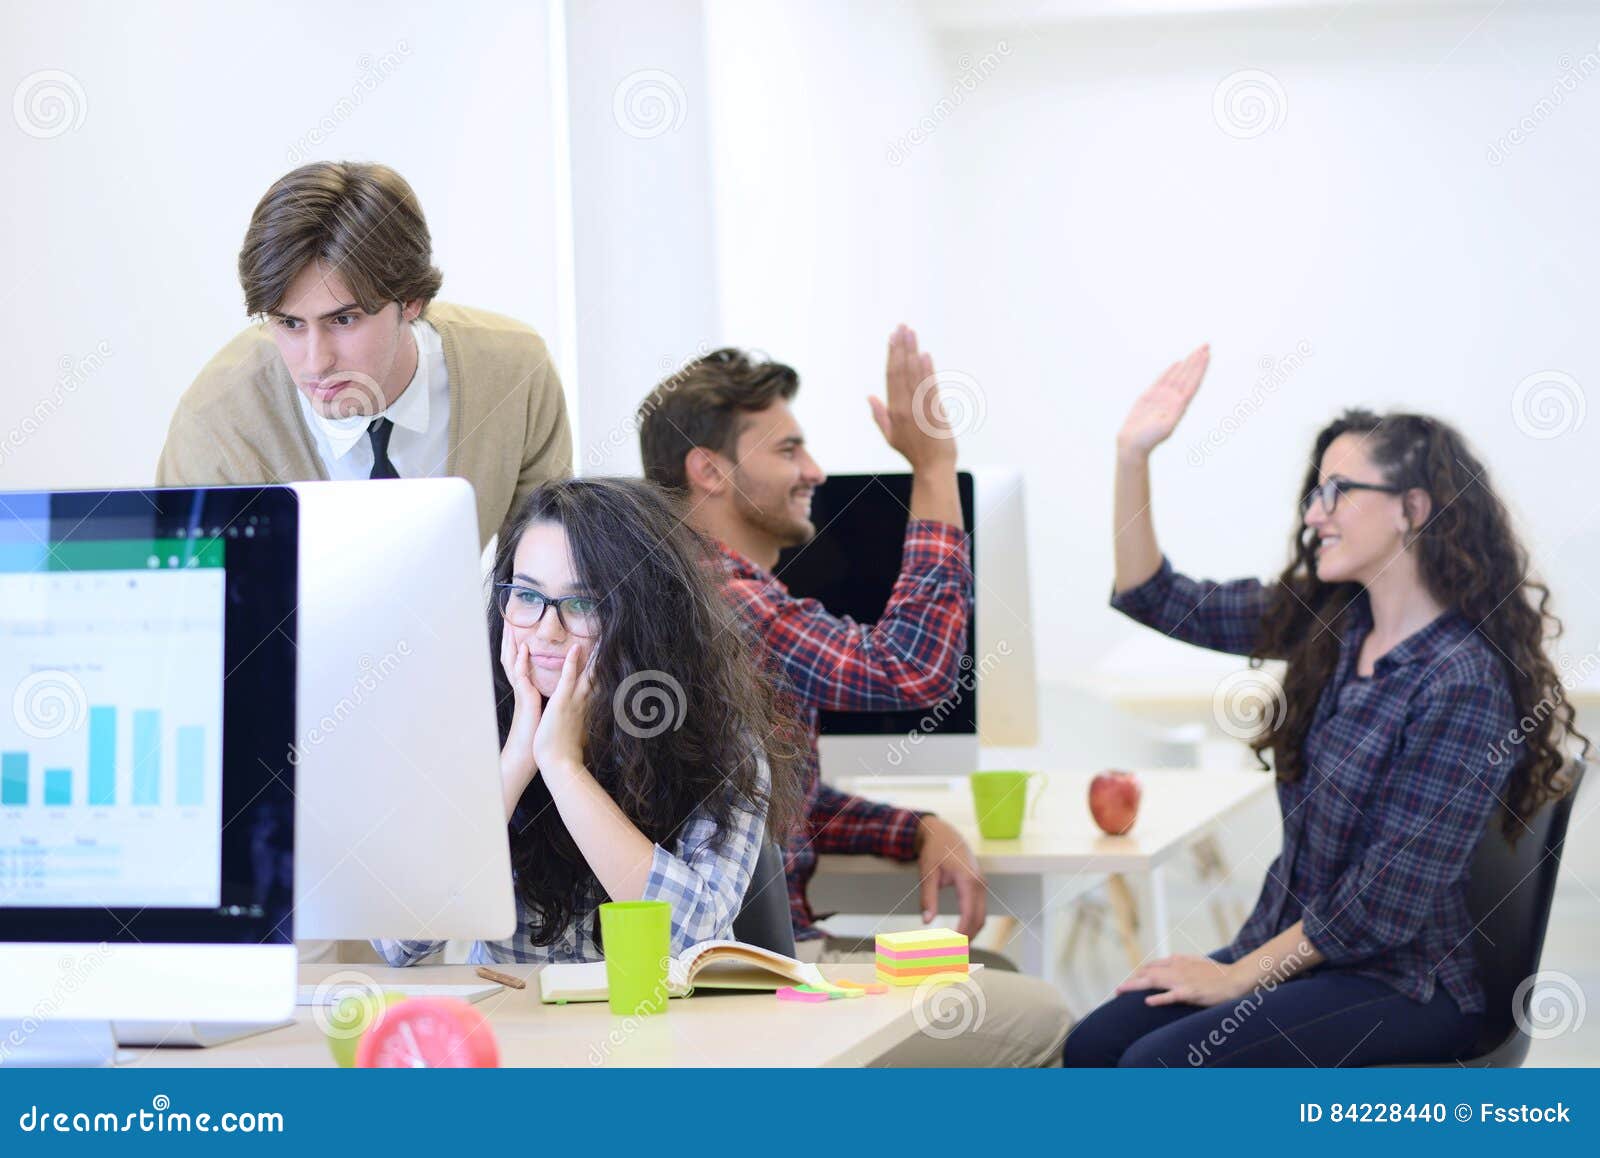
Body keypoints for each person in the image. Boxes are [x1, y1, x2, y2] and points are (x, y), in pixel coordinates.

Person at [1064, 345, 1587, 1067]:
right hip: (1298, 958)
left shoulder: (1461, 680)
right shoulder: (1334, 624)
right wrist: (1132, 456)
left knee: (1155, 1068)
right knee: (1092, 1046)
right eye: (1314, 493)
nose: (1314, 514)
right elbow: (1156, 599)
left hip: (1400, 983)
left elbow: (1385, 903)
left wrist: (1237, 976)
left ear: (1411, 509)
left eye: (1337, 491)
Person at [638, 326, 1073, 1066]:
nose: (813, 470)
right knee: (1046, 1013)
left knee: (997, 978)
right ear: (709, 469)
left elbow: (763, 799)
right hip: (755, 980)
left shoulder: (691, 585)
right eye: (788, 450)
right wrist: (933, 468)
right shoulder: (723, 598)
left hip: (757, 961)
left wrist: (909, 828)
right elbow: (911, 670)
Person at [375, 477, 803, 966]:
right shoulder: (464, 723)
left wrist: (563, 767)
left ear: (646, 619)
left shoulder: (722, 742)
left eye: (583, 604)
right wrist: (518, 757)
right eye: (527, 595)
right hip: (517, 1015)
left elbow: (693, 941)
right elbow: (399, 941)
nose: (547, 631)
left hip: (662, 1013)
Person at [156, 161, 571, 547]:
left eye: (343, 320)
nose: (316, 363)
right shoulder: (215, 423)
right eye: (289, 323)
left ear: (411, 300)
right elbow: (186, 595)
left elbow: (554, 575)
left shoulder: (516, 373)